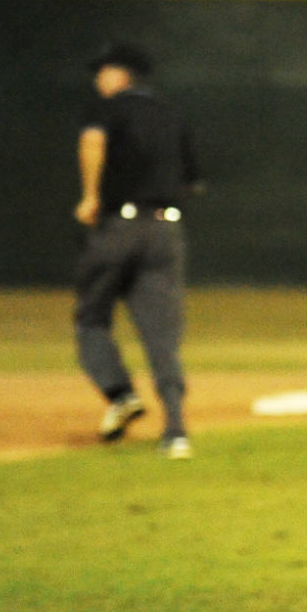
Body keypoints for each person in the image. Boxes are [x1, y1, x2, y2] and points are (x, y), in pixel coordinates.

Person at [71, 42, 202, 458]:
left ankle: (120, 393)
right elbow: (192, 181)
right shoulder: (170, 114)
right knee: (162, 336)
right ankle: (176, 431)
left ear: (119, 74)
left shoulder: (106, 109)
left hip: (118, 228)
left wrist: (91, 196)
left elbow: (93, 144)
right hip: (165, 230)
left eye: (103, 71)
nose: (99, 79)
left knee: (92, 317)